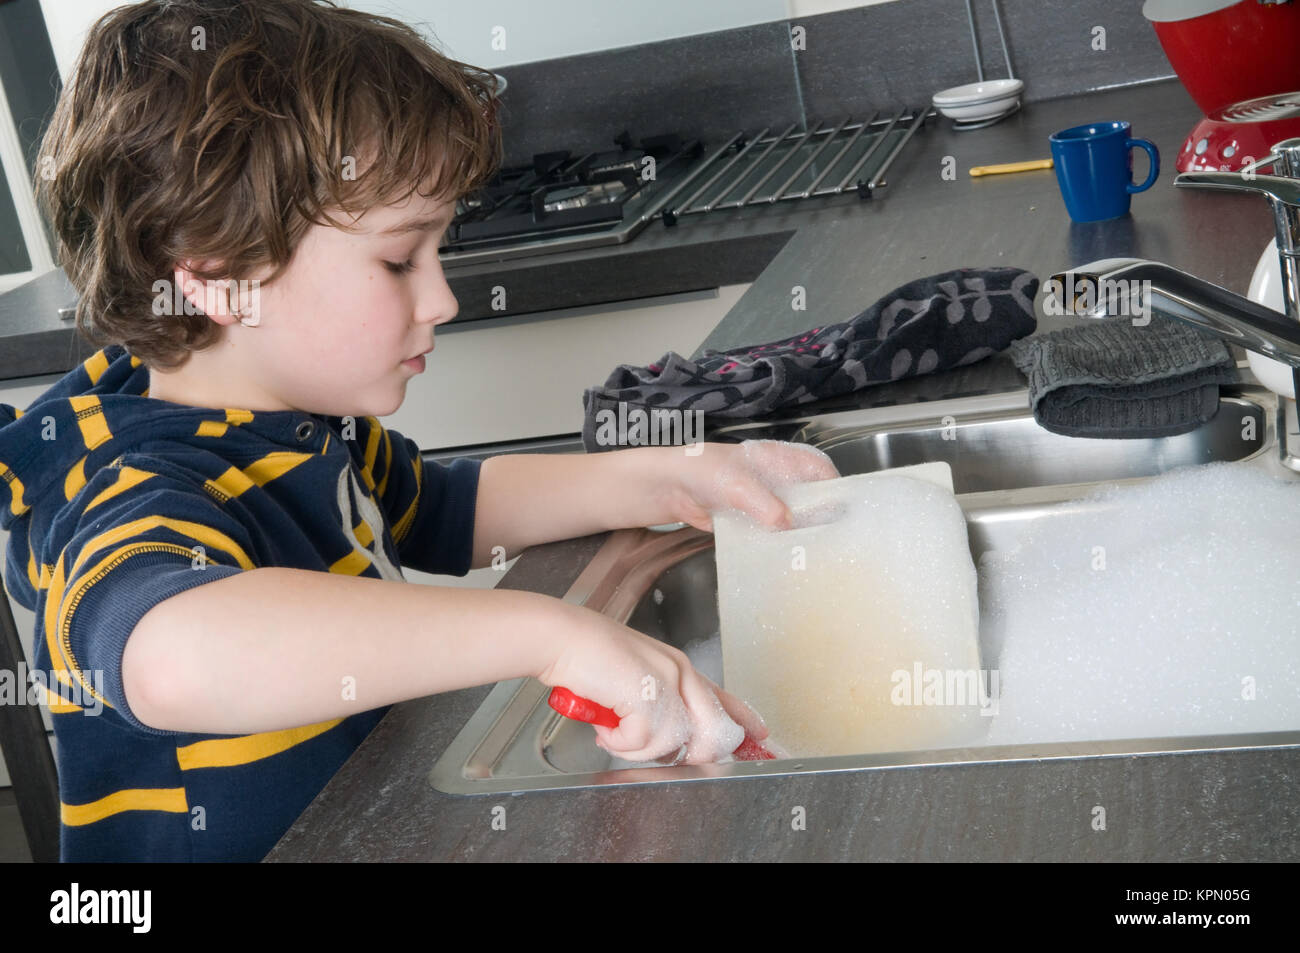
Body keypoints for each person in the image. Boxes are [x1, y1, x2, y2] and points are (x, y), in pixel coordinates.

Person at [0, 0, 838, 861]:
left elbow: (443, 505)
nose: (441, 299)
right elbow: (169, 653)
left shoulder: (298, 424)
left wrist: (666, 476)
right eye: (400, 260)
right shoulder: (126, 476)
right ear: (222, 278)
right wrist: (547, 635)